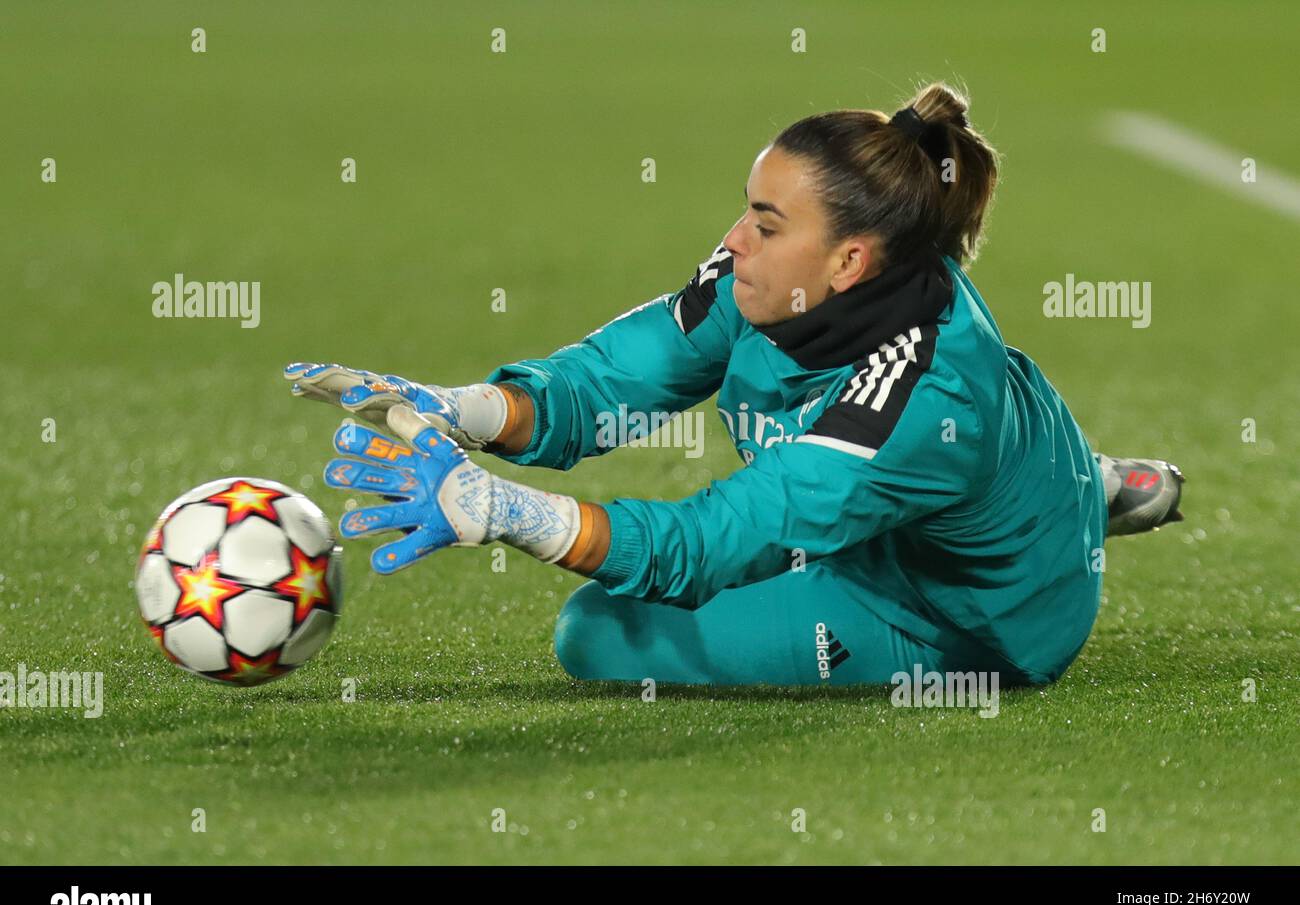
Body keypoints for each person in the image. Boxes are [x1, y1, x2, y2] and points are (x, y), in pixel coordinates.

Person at [285, 82, 1184, 688]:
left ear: (849, 259)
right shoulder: (788, 276)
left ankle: (1050, 520)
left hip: (966, 621)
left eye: (764, 222)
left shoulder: (918, 402)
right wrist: (463, 409)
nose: (733, 241)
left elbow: (716, 541)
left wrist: (508, 511)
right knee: (915, 482)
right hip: (966, 463)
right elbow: (613, 381)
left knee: (597, 634)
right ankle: (1066, 487)